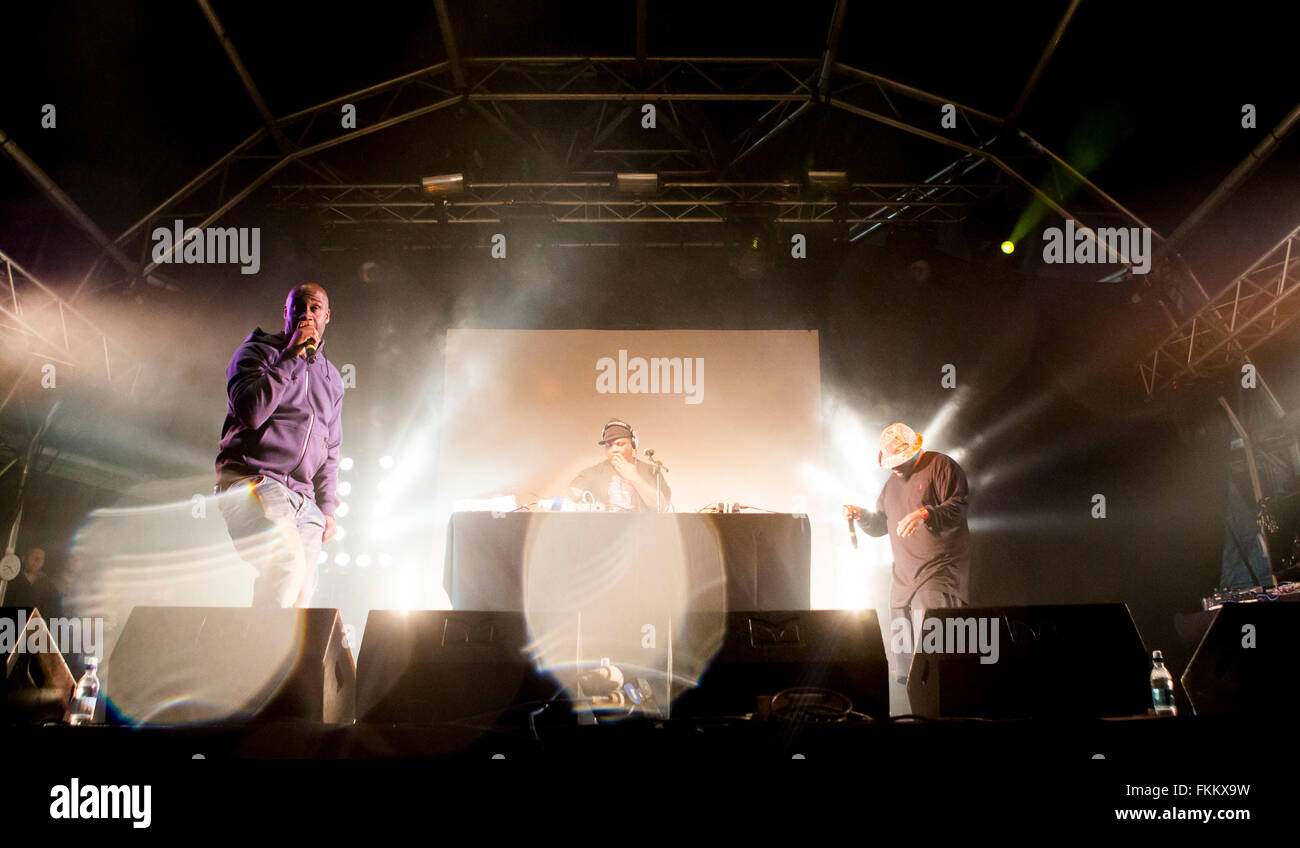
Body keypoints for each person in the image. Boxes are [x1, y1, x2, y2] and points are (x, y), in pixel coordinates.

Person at [215, 283, 343, 608]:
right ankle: (258, 656)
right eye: (298, 306)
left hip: (305, 501)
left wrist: (327, 508)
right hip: (255, 483)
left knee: (300, 596)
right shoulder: (257, 352)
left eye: (315, 308)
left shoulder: (332, 378)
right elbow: (251, 411)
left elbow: (331, 447)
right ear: (286, 313)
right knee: (286, 566)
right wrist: (291, 357)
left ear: (327, 315)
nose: (307, 313)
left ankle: (275, 657)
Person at [843, 422, 970, 682]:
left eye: (899, 461)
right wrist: (861, 515)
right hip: (902, 585)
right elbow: (881, 524)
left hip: (937, 575)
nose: (895, 467)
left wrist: (926, 513)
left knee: (935, 662)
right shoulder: (891, 485)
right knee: (911, 671)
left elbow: (958, 507)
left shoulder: (940, 465)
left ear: (914, 451)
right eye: (891, 463)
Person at [568, 419, 671, 511]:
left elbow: (662, 506)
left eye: (620, 444)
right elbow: (569, 498)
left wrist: (635, 478)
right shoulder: (593, 472)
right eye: (609, 446)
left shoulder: (651, 471)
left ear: (633, 445)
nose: (614, 450)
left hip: (642, 530)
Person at [4, 547, 60, 615]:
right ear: (24, 558)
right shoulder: (11, 581)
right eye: (33, 556)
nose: (37, 560)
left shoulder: (48, 586)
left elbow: (52, 612)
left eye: (41, 558)